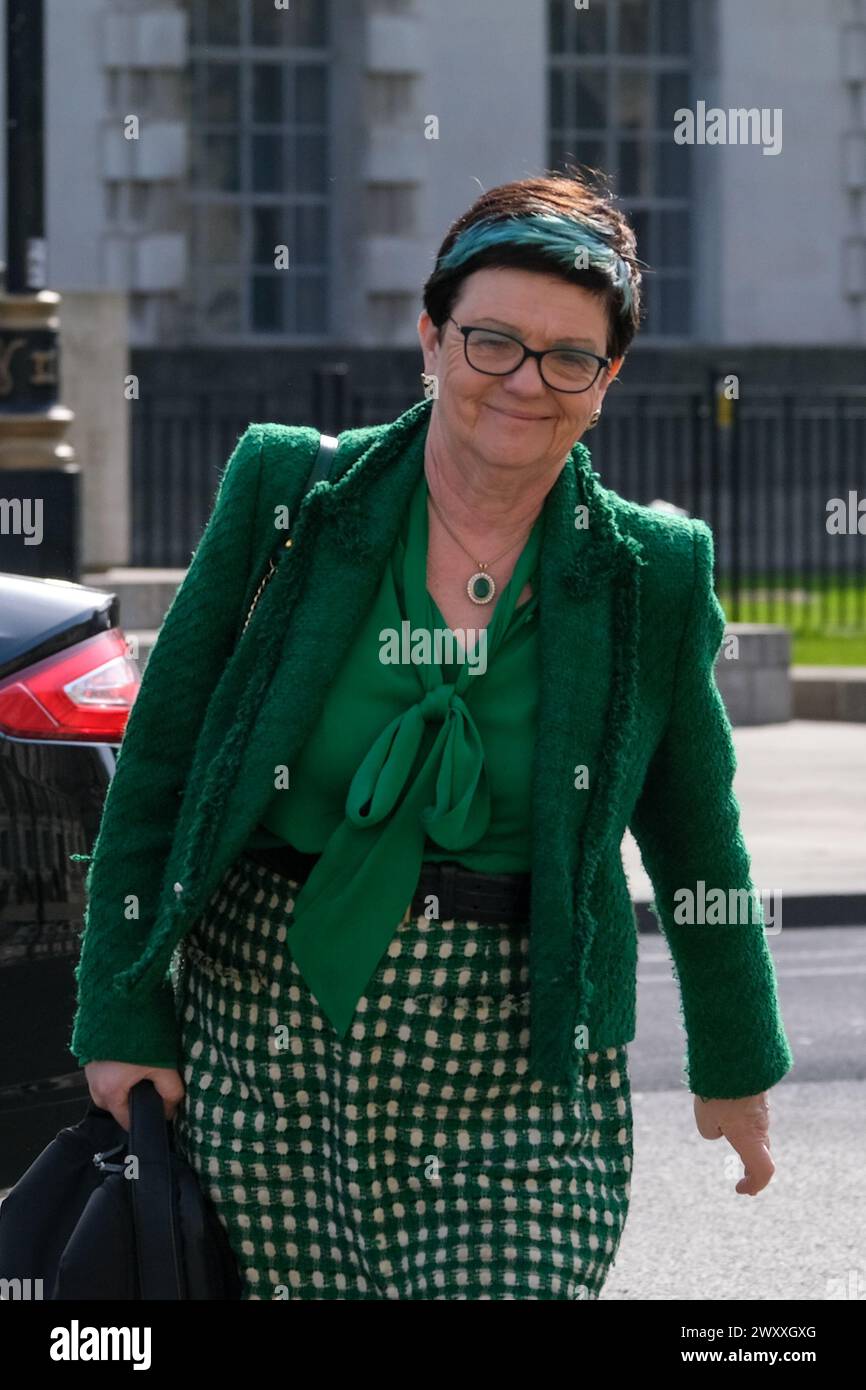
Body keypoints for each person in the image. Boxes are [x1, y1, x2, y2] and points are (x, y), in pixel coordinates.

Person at [72, 170, 794, 1301]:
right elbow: (158, 767)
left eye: (568, 357)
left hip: (516, 1052)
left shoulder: (647, 569)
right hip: (265, 1036)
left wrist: (735, 1065)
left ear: (604, 382)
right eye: (491, 340)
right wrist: (121, 1008)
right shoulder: (287, 491)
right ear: (430, 336)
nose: (523, 380)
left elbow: (697, 831)